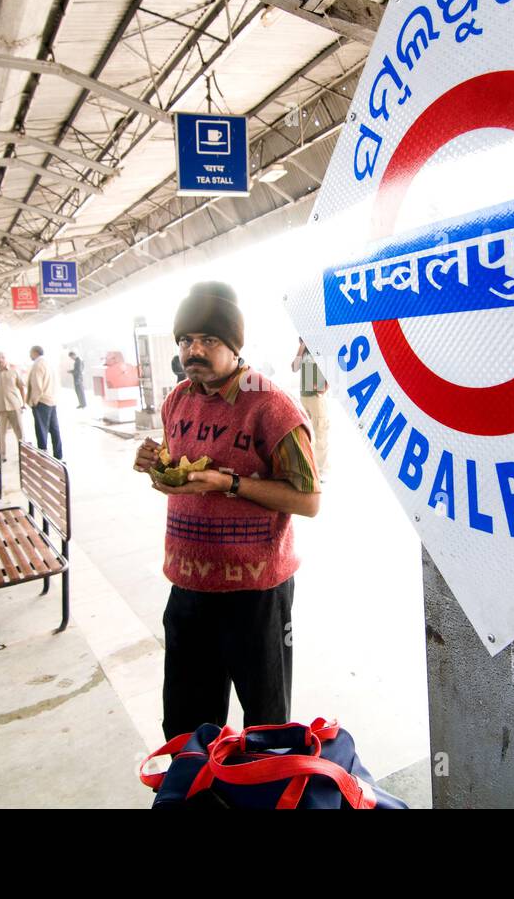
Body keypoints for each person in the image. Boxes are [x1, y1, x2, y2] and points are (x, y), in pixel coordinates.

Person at [133, 282, 321, 740]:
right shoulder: (178, 398)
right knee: (186, 728)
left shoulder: (271, 405)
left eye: (208, 340)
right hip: (189, 587)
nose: (193, 351)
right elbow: (182, 485)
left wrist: (230, 483)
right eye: (185, 341)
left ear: (234, 346)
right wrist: (157, 470)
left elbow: (308, 500)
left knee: (266, 728)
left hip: (255, 592)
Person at [292, 338, 330, 478]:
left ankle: (322, 470)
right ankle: (309, 467)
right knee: (305, 434)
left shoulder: (321, 346)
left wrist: (323, 388)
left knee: (320, 433)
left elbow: (331, 369)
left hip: (316, 397)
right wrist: (301, 348)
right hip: (304, 397)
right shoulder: (304, 350)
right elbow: (294, 368)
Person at [27, 345, 62, 459]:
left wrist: (34, 401)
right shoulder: (49, 363)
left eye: (30, 353)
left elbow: (37, 386)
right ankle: (58, 455)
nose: (30, 355)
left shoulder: (37, 364)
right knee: (54, 429)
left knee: (41, 430)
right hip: (52, 399)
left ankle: (43, 456)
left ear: (35, 352)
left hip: (42, 401)